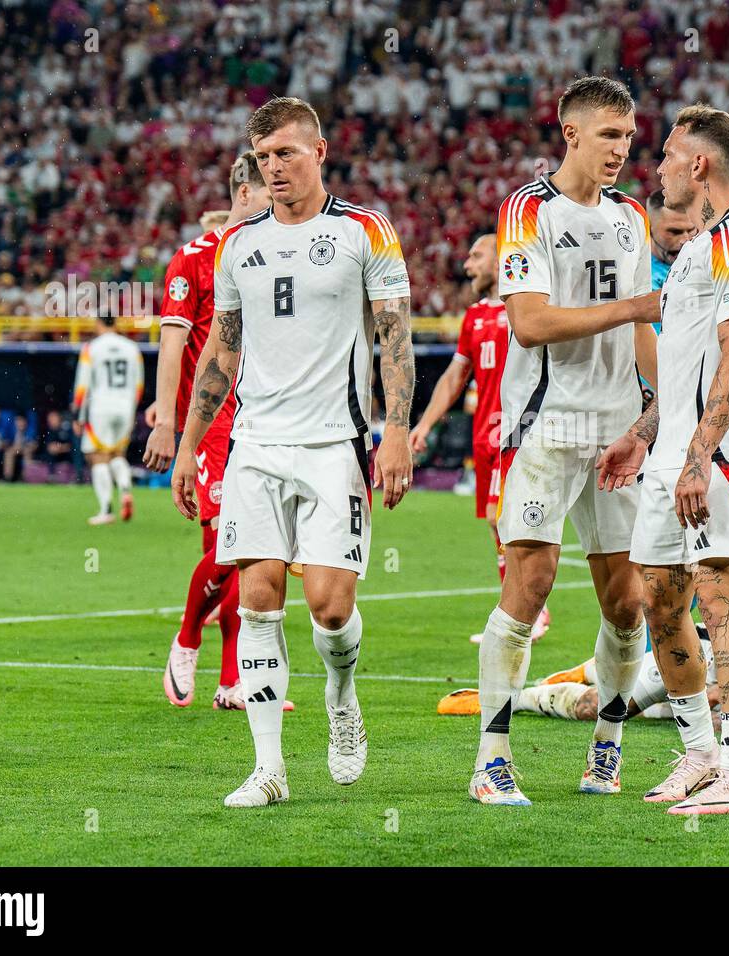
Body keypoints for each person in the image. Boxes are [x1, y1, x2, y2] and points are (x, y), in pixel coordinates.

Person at [171, 96, 415, 808]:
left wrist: (395, 428)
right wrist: (189, 447)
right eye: (263, 156)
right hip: (255, 446)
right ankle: (269, 769)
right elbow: (221, 349)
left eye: (285, 153)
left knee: (330, 608)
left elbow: (393, 333)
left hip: (334, 443)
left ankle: (342, 697)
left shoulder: (364, 230)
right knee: (257, 598)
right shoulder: (239, 244)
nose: (272, 167)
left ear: (319, 152)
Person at [469, 76, 660, 807]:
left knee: (626, 603)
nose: (622, 148)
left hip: (616, 430)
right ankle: (491, 761)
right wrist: (635, 306)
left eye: (629, 136)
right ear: (570, 132)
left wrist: (653, 411)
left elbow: (645, 328)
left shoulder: (632, 215)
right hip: (548, 423)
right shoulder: (528, 209)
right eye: (609, 134)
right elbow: (530, 323)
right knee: (533, 581)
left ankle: (606, 750)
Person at [598, 104, 729, 815]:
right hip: (673, 450)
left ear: (699, 164)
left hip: (722, 456)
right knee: (661, 603)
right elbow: (683, 371)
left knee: (721, 600)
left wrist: (700, 457)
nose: (660, 167)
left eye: (669, 155)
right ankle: (701, 753)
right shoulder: (695, 251)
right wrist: (644, 434)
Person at [145, 152, 275, 710]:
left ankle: (231, 682)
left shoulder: (269, 252)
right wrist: (167, 421)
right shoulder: (193, 260)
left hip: (262, 416)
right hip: (215, 421)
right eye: (270, 194)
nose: (280, 204)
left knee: (245, 556)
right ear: (244, 193)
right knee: (231, 544)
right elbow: (173, 344)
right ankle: (187, 638)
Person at [408, 234, 549, 643]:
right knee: (496, 526)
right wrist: (425, 424)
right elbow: (455, 378)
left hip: (519, 431)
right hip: (484, 435)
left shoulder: (526, 307)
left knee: (506, 519)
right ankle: (519, 611)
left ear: (500, 260)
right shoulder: (474, 316)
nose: (467, 265)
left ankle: (528, 611)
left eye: (476, 255)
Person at [438, 611, 729, 736]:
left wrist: (726, 703)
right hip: (707, 651)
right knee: (607, 705)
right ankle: (529, 693)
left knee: (662, 711)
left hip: (727, 664)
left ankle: (530, 695)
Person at [72, 316, 144, 524]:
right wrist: (131, 408)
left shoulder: (92, 348)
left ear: (99, 324)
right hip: (125, 407)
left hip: (100, 407)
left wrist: (79, 413)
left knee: (98, 457)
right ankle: (125, 489)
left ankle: (106, 509)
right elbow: (138, 384)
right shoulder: (132, 348)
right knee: (117, 454)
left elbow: (82, 385)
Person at [646, 188, 696, 295]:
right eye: (675, 232)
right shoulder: (638, 275)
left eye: (691, 230)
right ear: (648, 229)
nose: (685, 240)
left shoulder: (709, 259)